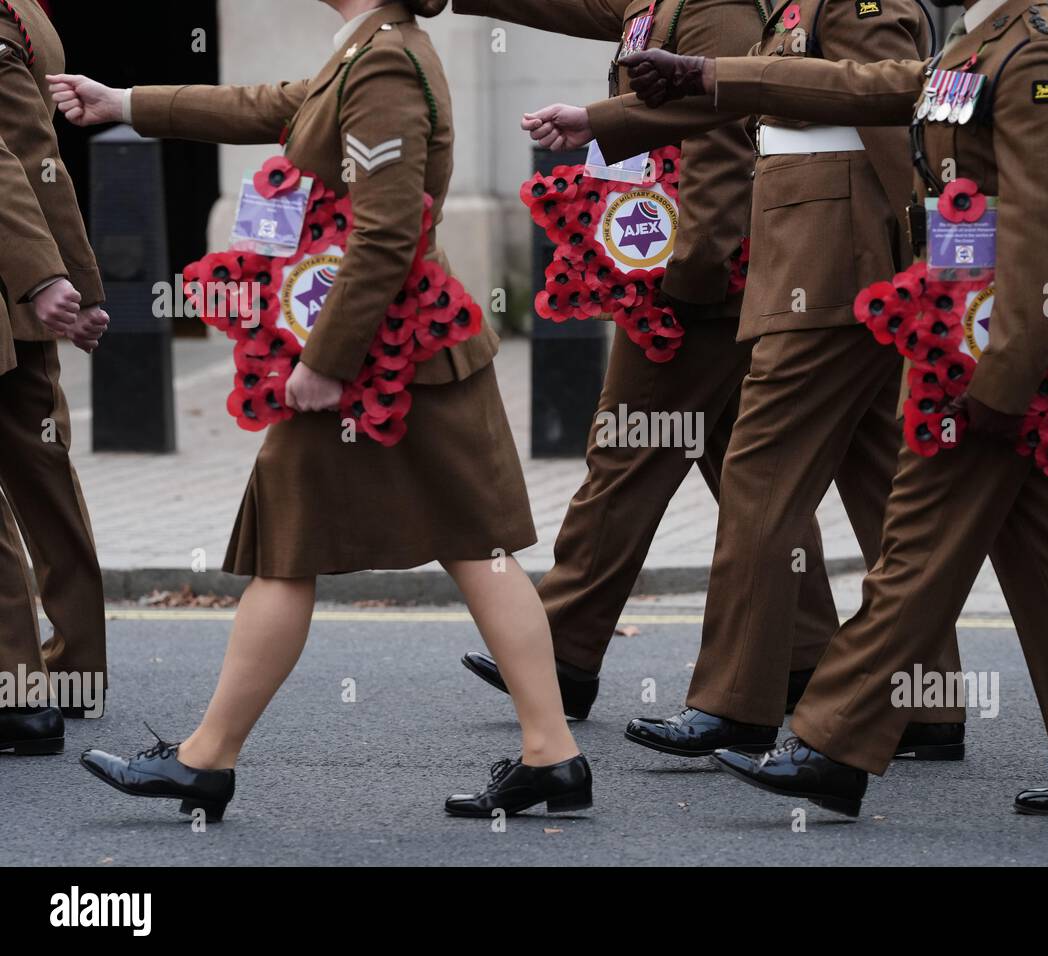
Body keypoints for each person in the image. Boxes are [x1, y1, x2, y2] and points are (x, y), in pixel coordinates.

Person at [619, 0, 1048, 817]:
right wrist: (712, 75)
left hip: (991, 350)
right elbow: (863, 85)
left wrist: (1004, 378)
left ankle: (832, 745)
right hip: (958, 325)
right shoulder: (978, 44)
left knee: (916, 541)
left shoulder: (1036, 59)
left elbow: (1046, 235)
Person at [50, 0, 591, 820]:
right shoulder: (369, 50)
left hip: (379, 361)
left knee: (294, 547)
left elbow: (383, 233)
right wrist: (124, 102)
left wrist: (324, 363)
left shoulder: (383, 64)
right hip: (413, 355)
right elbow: (270, 103)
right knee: (472, 546)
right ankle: (552, 755)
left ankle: (206, 761)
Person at [521, 0, 968, 761]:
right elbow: (760, 96)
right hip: (821, 248)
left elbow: (886, 101)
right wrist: (604, 121)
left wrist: (919, 247)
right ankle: (924, 703)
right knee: (882, 477)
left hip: (836, 253)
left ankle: (737, 704)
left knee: (762, 472)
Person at [450, 0, 841, 722]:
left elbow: (719, 142)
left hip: (700, 277)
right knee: (741, 473)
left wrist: (690, 276)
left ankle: (563, 650)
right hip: (701, 272)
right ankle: (807, 652)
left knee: (625, 454)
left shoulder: (718, 9)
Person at [0, 0, 110, 757]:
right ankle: (73, 668)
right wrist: (72, 279)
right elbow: (37, 153)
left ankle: (14, 694)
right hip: (20, 290)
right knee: (43, 477)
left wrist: (48, 279)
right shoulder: (24, 9)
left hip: (14, 282)